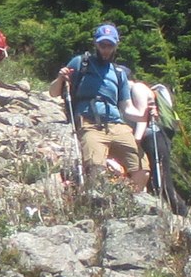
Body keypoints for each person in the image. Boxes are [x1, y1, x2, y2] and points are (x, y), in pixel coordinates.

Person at [50, 23, 147, 193]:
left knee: (142, 170)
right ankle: (100, 203)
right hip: (89, 124)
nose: (106, 49)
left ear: (116, 45)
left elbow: (127, 108)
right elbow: (53, 92)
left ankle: (129, 200)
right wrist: (60, 78)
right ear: (95, 44)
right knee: (96, 169)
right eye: (102, 45)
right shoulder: (81, 63)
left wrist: (145, 114)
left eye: (110, 45)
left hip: (117, 125)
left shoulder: (119, 73)